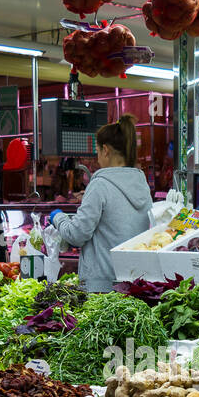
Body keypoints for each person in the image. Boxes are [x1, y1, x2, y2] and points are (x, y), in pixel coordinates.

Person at [48, 114, 152, 293]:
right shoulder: (142, 184)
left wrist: (58, 218)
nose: (97, 158)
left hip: (101, 287)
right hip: (133, 283)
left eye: (97, 151)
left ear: (105, 150)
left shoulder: (100, 185)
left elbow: (76, 235)